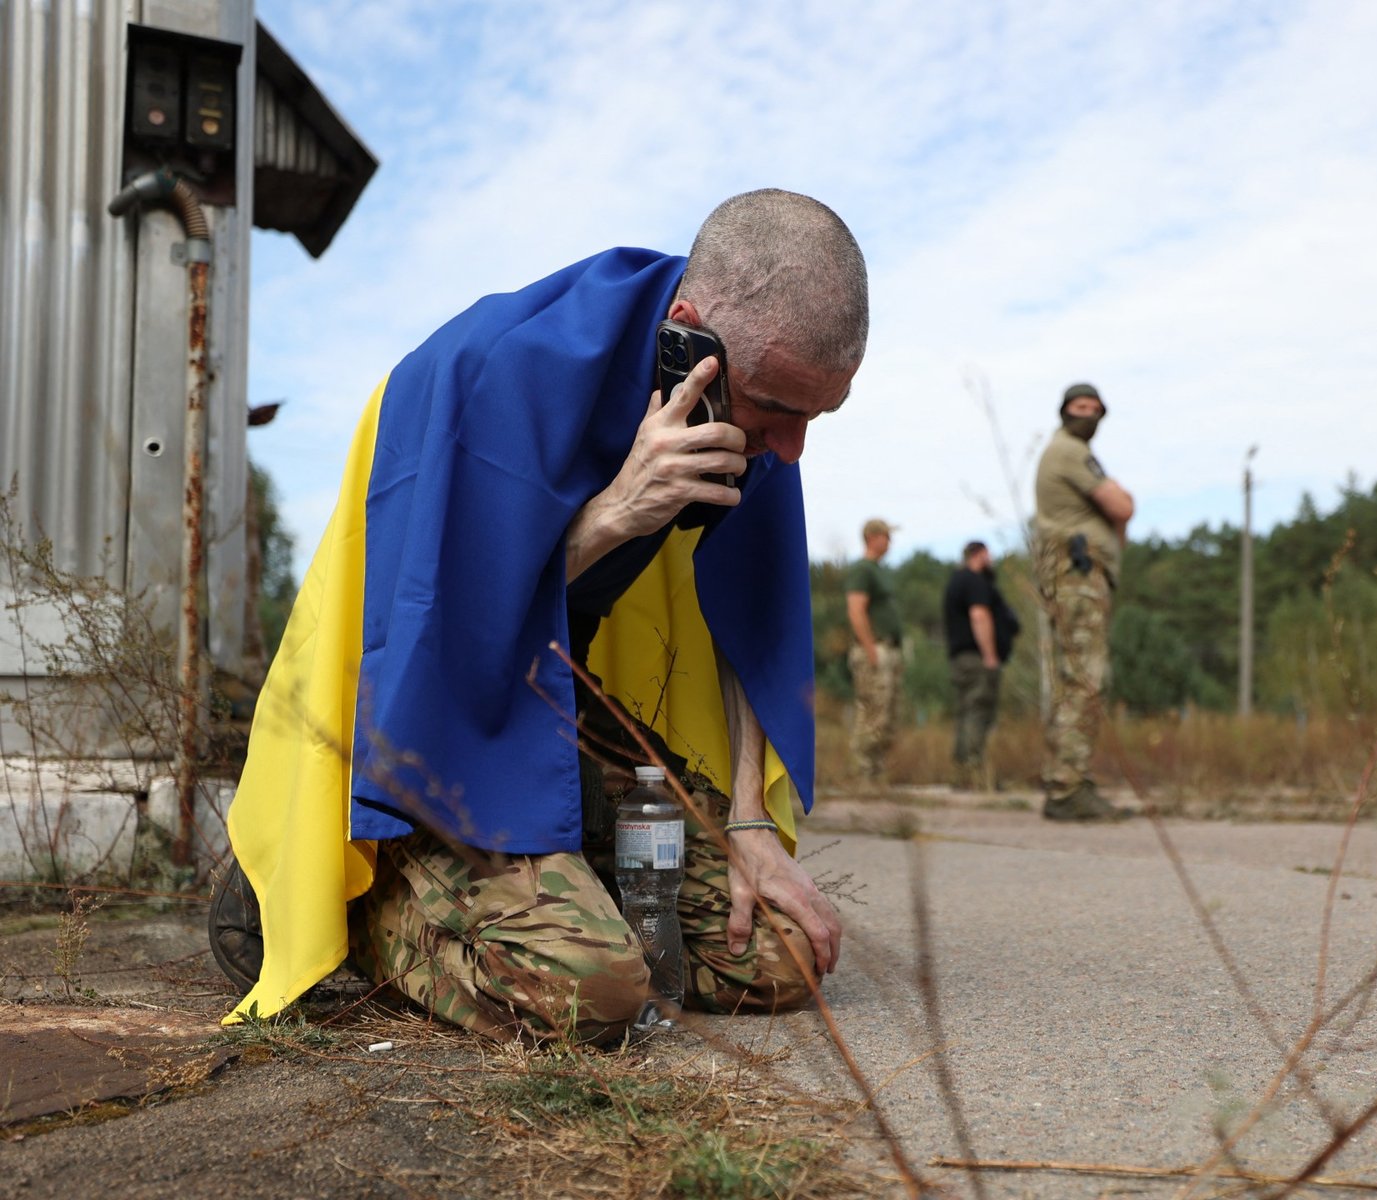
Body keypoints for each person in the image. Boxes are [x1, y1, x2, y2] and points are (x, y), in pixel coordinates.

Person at [210, 189, 866, 1044]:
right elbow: (438, 627)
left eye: (815, 416)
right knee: (591, 991)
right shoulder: (496, 368)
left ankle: (557, 885)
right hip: (423, 718)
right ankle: (348, 903)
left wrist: (746, 822)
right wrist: (615, 515)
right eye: (779, 409)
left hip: (555, 692)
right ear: (691, 333)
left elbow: (750, 619)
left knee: (781, 959)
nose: (790, 448)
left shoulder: (742, 401)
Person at [1033, 382, 1135, 821]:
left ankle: (1069, 778)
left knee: (1081, 678)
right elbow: (1122, 506)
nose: (1087, 414)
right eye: (1080, 407)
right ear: (1064, 411)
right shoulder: (1070, 451)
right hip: (1077, 576)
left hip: (1079, 578)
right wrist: (1121, 506)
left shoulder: (1070, 451)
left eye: (1095, 409)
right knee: (1085, 679)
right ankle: (1067, 786)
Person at [942, 540, 1019, 789]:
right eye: (988, 555)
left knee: (967, 712)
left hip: (963, 659)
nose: (991, 560)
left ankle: (963, 774)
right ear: (979, 555)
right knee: (978, 711)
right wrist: (990, 655)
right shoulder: (974, 581)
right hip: (976, 657)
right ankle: (974, 775)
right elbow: (979, 616)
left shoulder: (957, 581)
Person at [843, 517, 902, 784]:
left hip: (888, 649)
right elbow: (856, 610)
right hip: (873, 650)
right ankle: (863, 776)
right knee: (872, 713)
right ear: (872, 537)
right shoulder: (862, 570)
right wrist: (870, 650)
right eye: (886, 536)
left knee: (886, 716)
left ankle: (876, 777)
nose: (889, 542)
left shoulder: (878, 570)